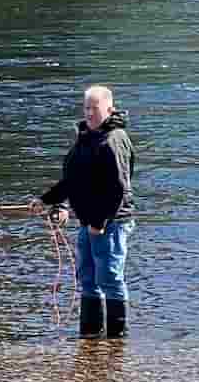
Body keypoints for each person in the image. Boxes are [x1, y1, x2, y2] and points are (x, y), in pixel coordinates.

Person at [35, 84, 137, 339]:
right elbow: (72, 181)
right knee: (88, 279)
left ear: (109, 109)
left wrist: (100, 222)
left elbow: (118, 189)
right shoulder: (85, 138)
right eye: (86, 108)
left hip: (111, 222)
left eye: (95, 108)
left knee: (110, 279)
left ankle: (116, 339)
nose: (90, 113)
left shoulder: (114, 140)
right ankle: (90, 336)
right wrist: (47, 200)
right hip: (88, 221)